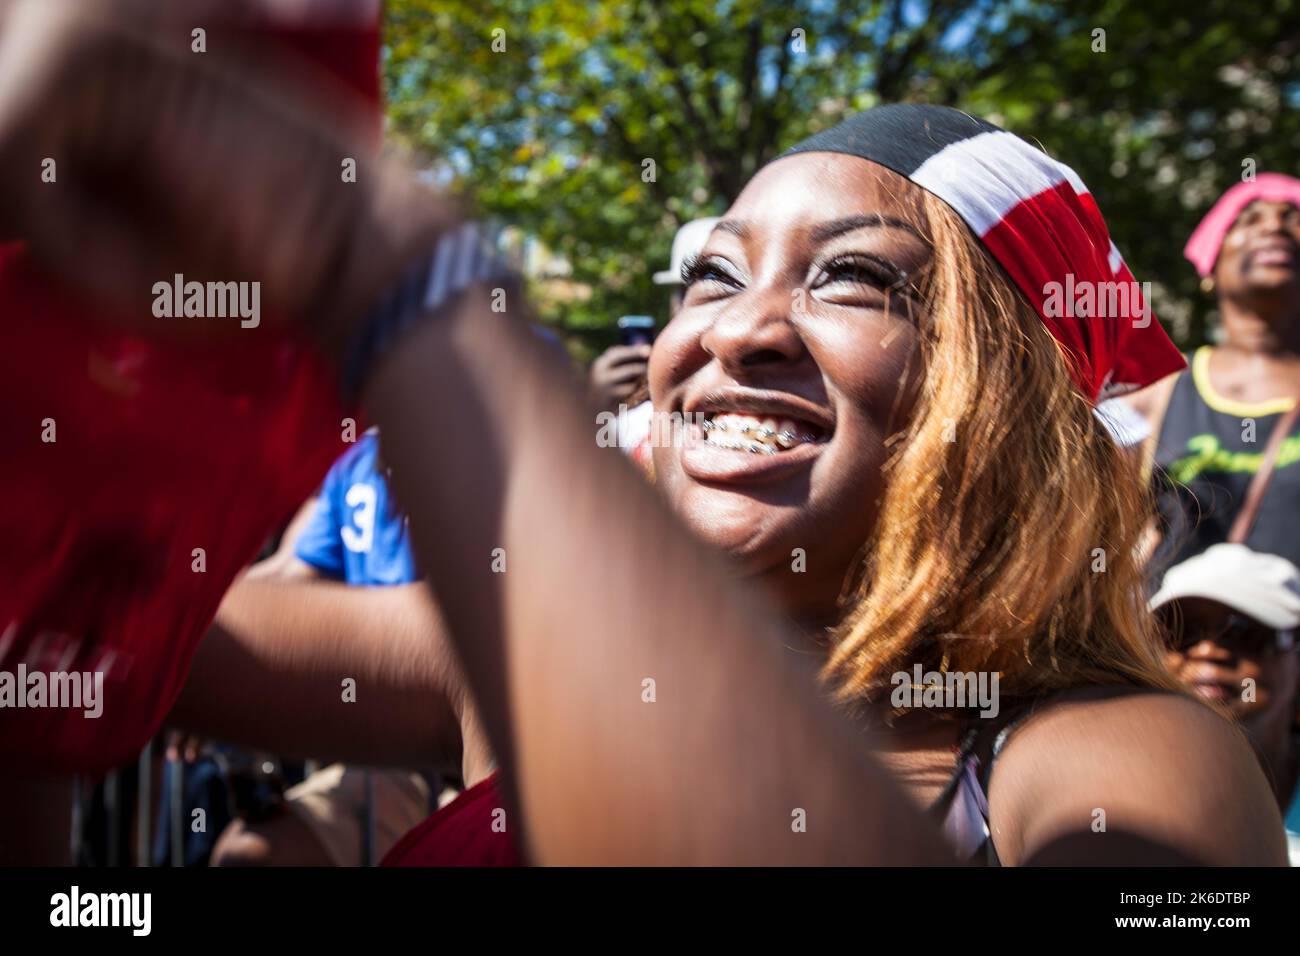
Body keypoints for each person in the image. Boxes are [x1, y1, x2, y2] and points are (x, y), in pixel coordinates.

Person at [1, 3, 1287, 866]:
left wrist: (388, 272)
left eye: (850, 280)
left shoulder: (1132, 759)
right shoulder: (501, 647)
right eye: (713, 279)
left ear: (1004, 408)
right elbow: (72, 647)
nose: (735, 333)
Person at [207, 431, 432, 866]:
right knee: (248, 857)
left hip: (485, 760)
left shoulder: (484, 438)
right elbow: (287, 577)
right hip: (390, 766)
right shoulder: (352, 458)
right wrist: (183, 641)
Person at [1123, 174, 1300, 571]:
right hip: (1171, 635)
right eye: (1248, 219)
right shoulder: (1153, 398)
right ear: (1210, 266)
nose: (1274, 226)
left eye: (1294, 219)